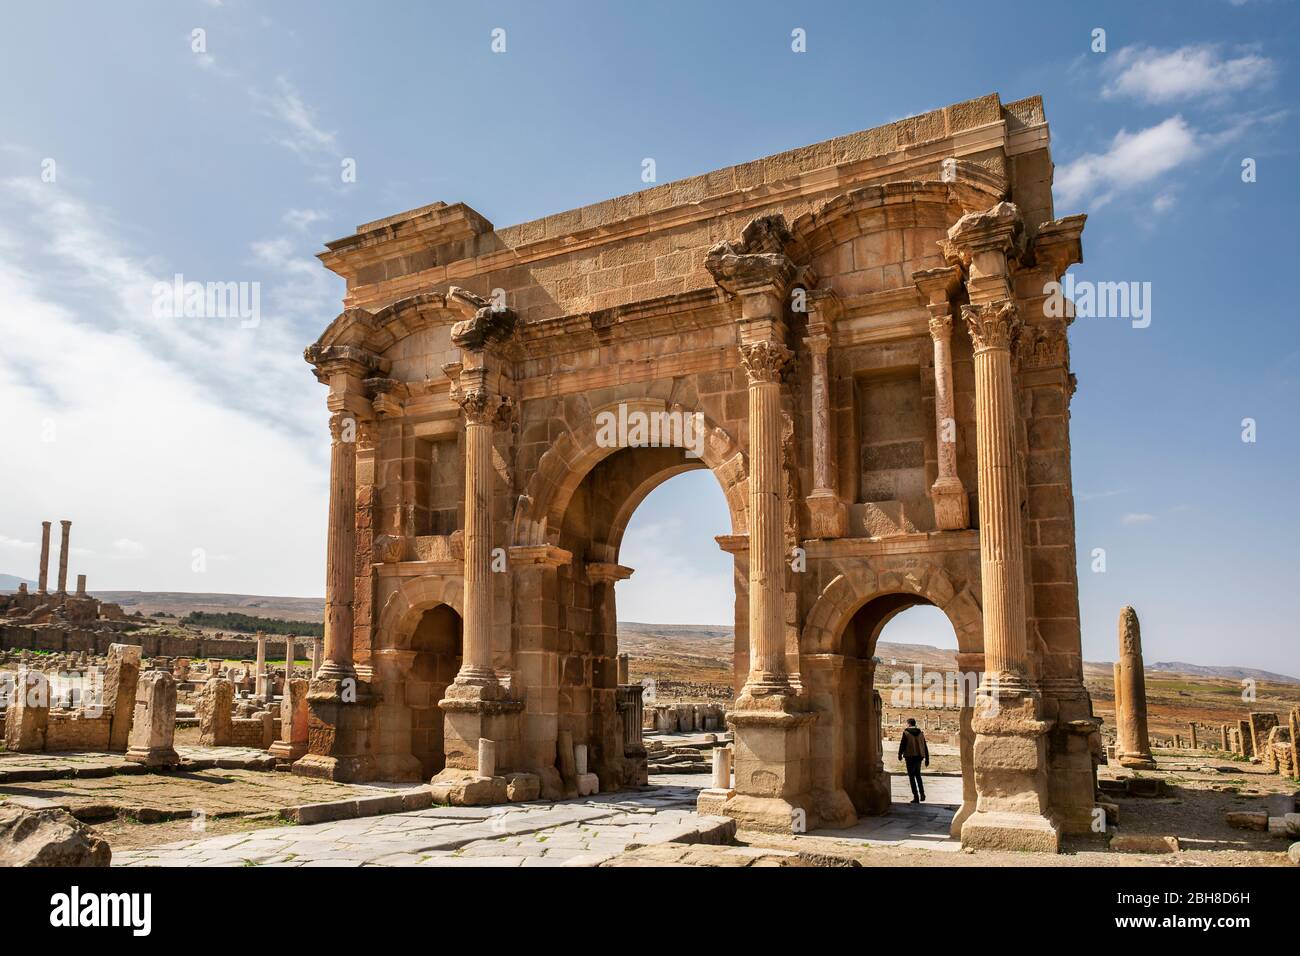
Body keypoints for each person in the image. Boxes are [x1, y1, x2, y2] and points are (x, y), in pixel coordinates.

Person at [897, 717, 929, 803]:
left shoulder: (906, 733)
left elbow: (902, 745)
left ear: (909, 724)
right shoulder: (921, 733)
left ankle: (916, 797)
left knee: (911, 777)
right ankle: (922, 794)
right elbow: (925, 746)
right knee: (918, 775)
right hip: (919, 757)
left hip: (910, 756)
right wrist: (927, 759)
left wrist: (899, 754)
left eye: (907, 723)